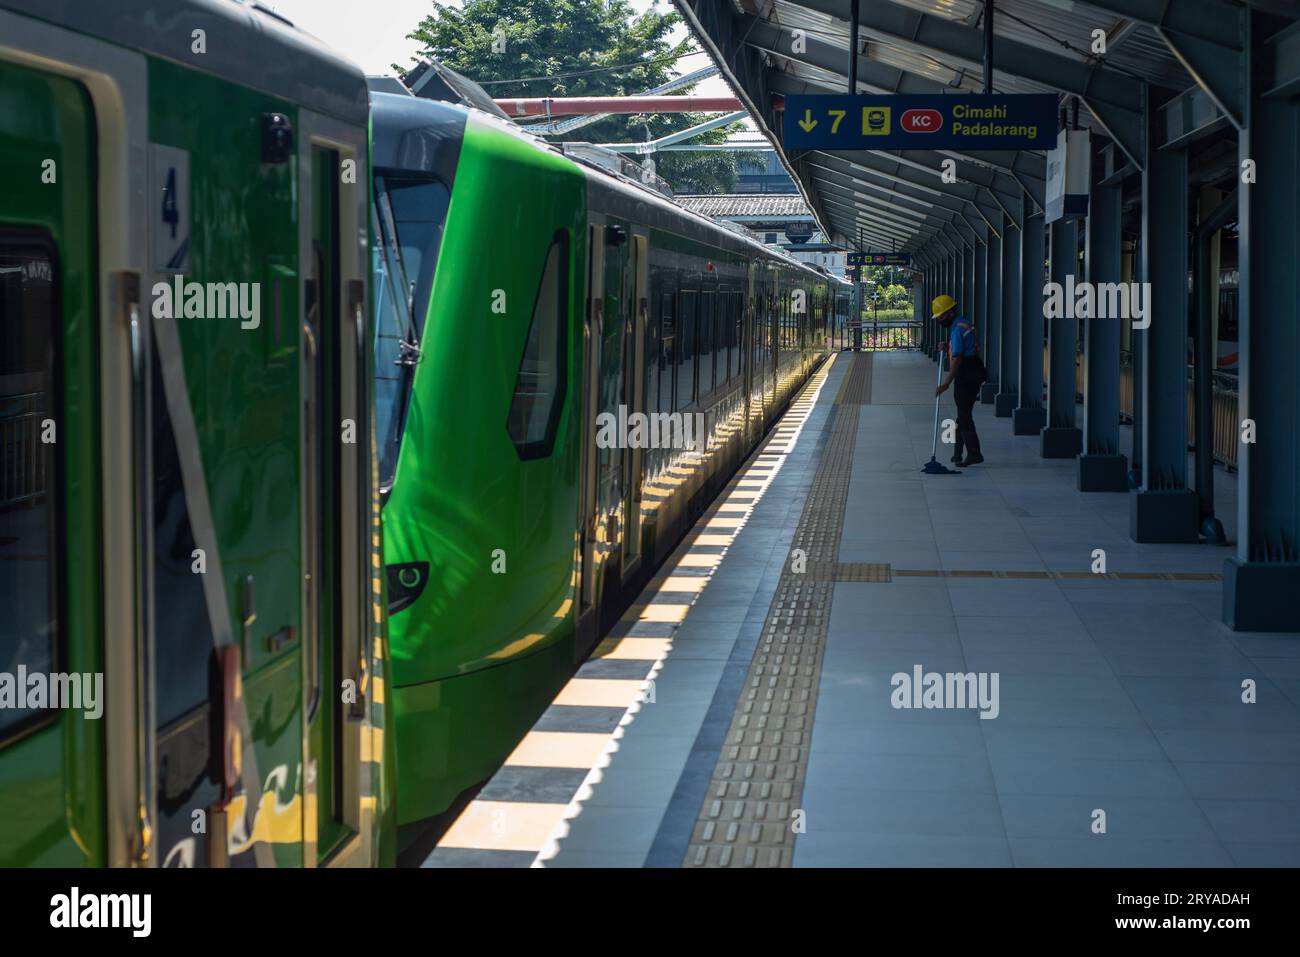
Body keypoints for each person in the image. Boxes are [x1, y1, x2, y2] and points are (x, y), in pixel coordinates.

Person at [932, 294, 984, 467]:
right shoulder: (963, 324)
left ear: (949, 313)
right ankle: (958, 454)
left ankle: (974, 454)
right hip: (975, 370)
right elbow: (964, 345)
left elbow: (957, 359)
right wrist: (946, 346)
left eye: (940, 316)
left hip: (966, 373)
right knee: (963, 413)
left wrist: (946, 383)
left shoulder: (956, 329)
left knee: (964, 415)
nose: (939, 320)